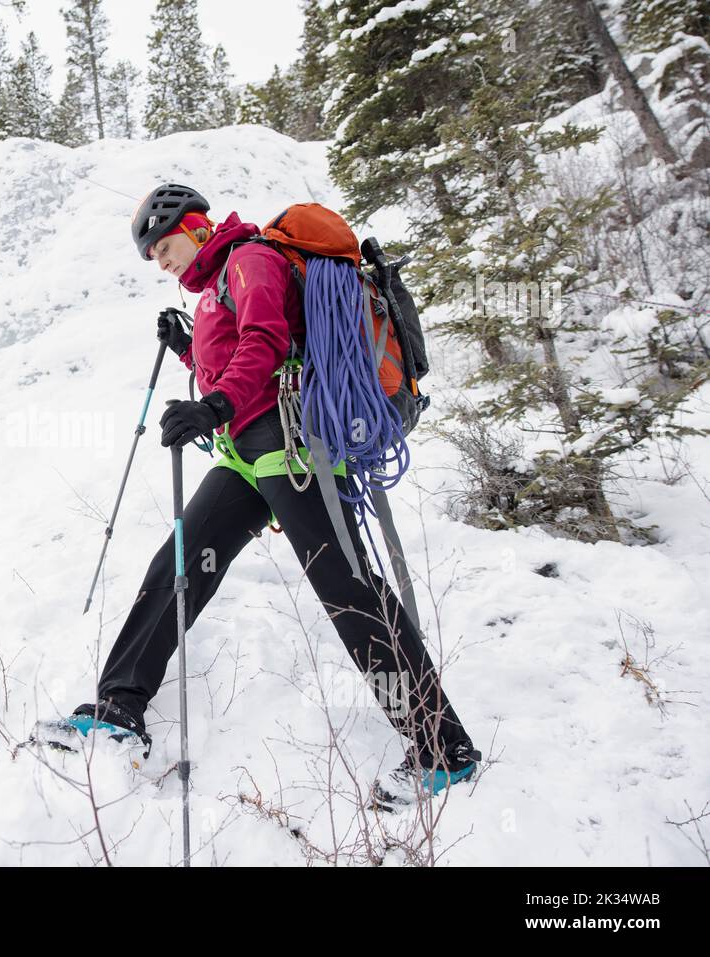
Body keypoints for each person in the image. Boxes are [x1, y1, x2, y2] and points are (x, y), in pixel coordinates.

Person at [66, 183, 481, 799]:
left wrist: (213, 405)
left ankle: (443, 749)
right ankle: (118, 710)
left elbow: (265, 342)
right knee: (180, 564)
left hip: (292, 447)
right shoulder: (215, 286)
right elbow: (242, 354)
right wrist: (191, 353)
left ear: (198, 226)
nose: (160, 260)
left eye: (163, 244)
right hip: (245, 454)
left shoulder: (250, 259)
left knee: (348, 589)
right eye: (150, 255)